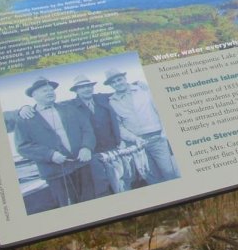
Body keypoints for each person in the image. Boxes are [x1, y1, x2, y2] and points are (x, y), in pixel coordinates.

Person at [13, 77, 96, 208]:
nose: (50, 92)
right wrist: (50, 155)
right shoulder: (25, 119)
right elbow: (22, 147)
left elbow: (87, 129)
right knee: (68, 208)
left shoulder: (69, 108)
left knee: (91, 202)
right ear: (34, 95)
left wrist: (87, 147)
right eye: (44, 90)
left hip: (81, 165)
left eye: (51, 90)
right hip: (54, 173)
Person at [104, 67, 180, 184]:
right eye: (113, 82)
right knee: (151, 177)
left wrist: (164, 133)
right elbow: (119, 126)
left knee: (168, 172)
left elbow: (161, 110)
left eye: (119, 80)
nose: (117, 83)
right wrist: (134, 139)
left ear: (125, 78)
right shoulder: (112, 101)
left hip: (157, 139)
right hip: (136, 145)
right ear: (111, 85)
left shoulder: (143, 90)